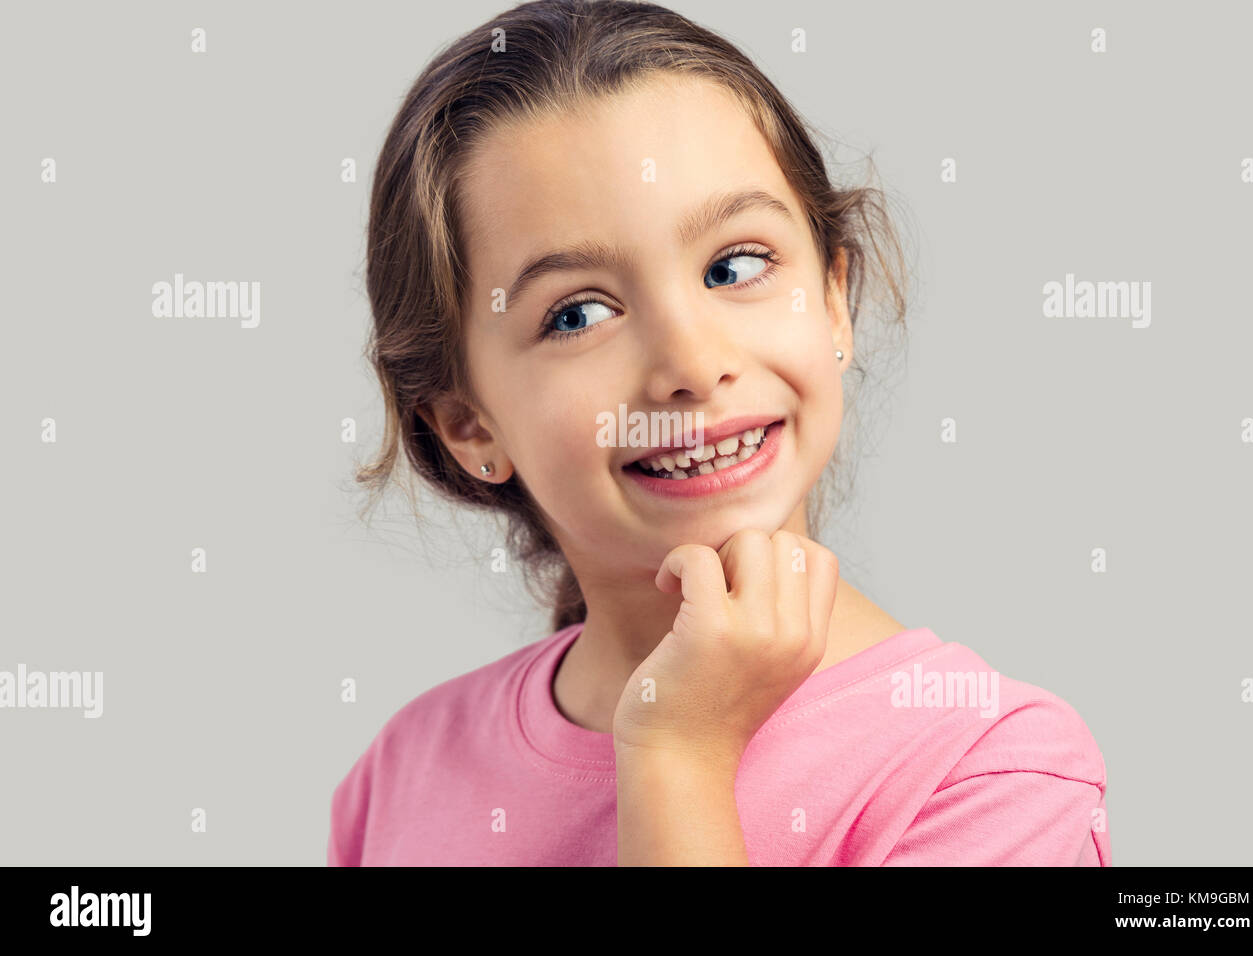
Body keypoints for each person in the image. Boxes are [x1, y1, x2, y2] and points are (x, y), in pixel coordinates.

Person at [329, 0, 1110, 866]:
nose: (693, 365)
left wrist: (679, 755)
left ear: (834, 300)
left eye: (735, 266)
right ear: (469, 424)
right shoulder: (403, 775)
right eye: (578, 313)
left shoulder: (991, 777)